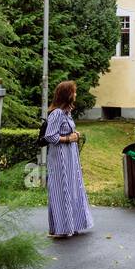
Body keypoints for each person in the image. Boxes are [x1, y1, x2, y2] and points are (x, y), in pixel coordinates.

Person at [43, 80, 93, 239]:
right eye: (74, 92)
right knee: (61, 189)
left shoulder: (66, 112)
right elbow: (49, 136)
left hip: (70, 156)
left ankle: (74, 224)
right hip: (60, 157)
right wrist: (68, 139)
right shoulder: (57, 113)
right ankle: (62, 227)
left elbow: (68, 130)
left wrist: (75, 135)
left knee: (72, 187)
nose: (76, 94)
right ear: (67, 94)